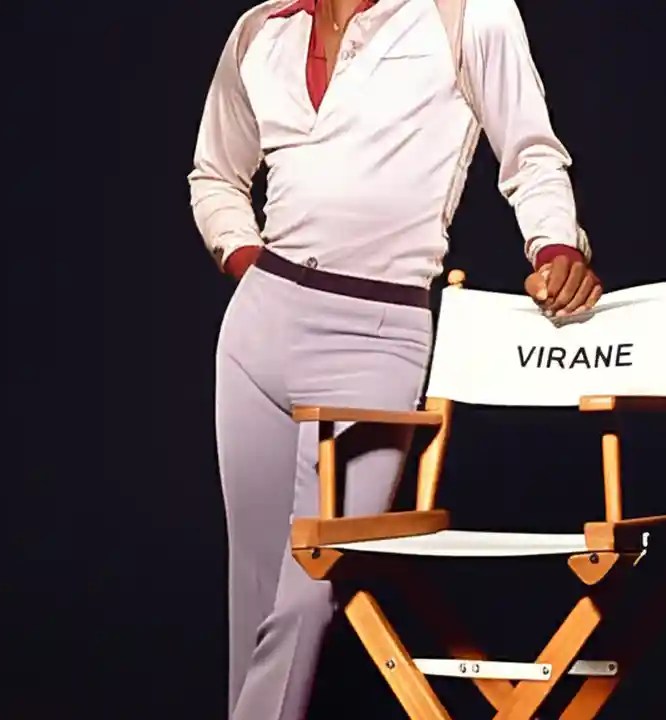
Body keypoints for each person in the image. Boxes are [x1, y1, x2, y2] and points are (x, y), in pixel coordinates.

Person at [187, 0, 600, 716]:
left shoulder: (467, 13)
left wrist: (555, 245)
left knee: (311, 593)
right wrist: (246, 259)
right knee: (251, 601)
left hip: (375, 335)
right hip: (259, 327)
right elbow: (213, 174)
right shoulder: (261, 29)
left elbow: (532, 153)